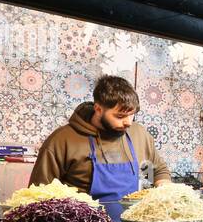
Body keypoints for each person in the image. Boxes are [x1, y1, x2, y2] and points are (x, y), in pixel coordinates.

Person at [30, 75, 170, 200]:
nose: (128, 122)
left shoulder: (139, 134)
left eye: (132, 114)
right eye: (120, 116)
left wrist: (162, 189)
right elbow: (38, 193)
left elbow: (154, 171)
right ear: (98, 109)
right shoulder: (61, 140)